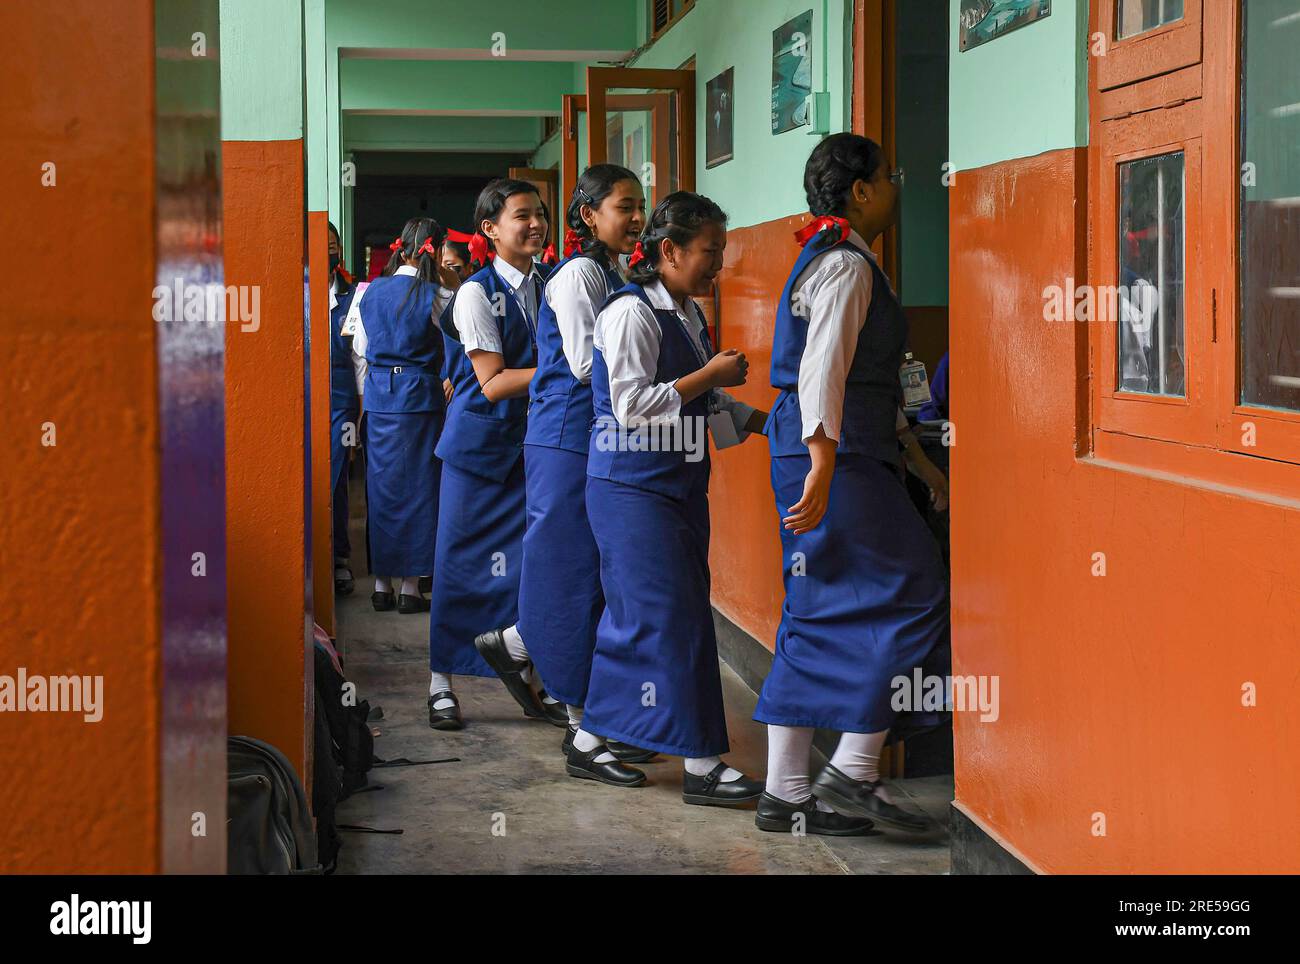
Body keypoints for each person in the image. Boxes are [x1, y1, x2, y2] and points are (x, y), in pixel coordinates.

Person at [752, 133, 949, 836]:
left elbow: (869, 378)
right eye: (889, 176)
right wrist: (824, 461)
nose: (899, 186)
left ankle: (786, 794)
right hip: (833, 453)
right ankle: (852, 772)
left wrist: (920, 465)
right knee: (918, 586)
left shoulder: (847, 257)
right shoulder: (845, 265)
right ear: (862, 191)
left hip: (839, 449)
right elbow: (822, 369)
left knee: (817, 606)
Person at [574, 191, 769, 804]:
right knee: (672, 619)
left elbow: (698, 405)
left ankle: (588, 742)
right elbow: (631, 408)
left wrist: (766, 421)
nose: (719, 265)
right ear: (670, 250)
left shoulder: (686, 313)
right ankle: (701, 762)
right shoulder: (630, 314)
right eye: (710, 252)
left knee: (647, 619)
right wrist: (710, 376)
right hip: (631, 489)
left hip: (674, 486)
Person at [473, 164, 654, 765]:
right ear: (589, 216)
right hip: (564, 436)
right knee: (569, 573)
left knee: (591, 572)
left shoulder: (614, 271)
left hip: (596, 434)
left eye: (640, 206)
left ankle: (534, 657)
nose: (636, 218)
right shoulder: (579, 275)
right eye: (624, 206)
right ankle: (581, 722)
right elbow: (583, 365)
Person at [426, 178, 564, 730]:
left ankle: (536, 673)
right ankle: (440, 680)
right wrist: (570, 373)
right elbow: (492, 382)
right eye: (522, 216)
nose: (536, 224)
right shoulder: (476, 293)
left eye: (541, 214)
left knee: (529, 570)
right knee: (458, 565)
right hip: (479, 451)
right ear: (490, 230)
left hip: (533, 448)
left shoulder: (553, 283)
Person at [353, 218, 459, 614]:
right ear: (433, 249)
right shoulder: (435, 296)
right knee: (419, 487)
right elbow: (457, 343)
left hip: (381, 397)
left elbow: (361, 351)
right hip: (419, 397)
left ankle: (381, 583)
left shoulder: (369, 291)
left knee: (381, 489)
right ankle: (410, 587)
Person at [327, 222, 360, 596]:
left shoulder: (354, 298)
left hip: (341, 399)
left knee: (335, 474)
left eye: (333, 244)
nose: (328, 250)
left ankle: (338, 559)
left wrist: (361, 411)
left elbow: (359, 359)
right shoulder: (294, 293)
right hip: (303, 396)